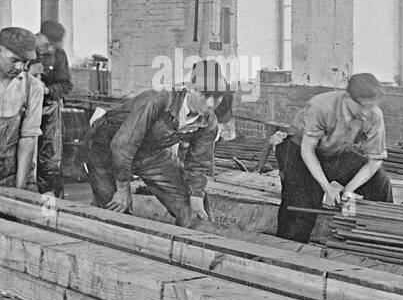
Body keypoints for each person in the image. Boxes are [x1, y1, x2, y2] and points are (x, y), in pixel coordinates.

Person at [83, 59, 233, 228]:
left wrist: (196, 198)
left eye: (217, 97)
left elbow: (198, 164)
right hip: (104, 147)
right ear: (190, 88)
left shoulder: (209, 121)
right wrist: (123, 187)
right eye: (205, 96)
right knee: (116, 212)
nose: (211, 104)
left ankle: (188, 247)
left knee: (192, 207)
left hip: (150, 152)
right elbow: (122, 145)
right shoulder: (158, 100)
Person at [275, 72, 394, 242]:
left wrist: (348, 190)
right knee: (299, 208)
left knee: (380, 183)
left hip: (338, 152)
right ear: (348, 98)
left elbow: (375, 161)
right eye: (362, 107)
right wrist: (327, 188)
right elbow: (307, 151)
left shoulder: (374, 115)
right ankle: (289, 250)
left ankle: (383, 237)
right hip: (303, 152)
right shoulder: (320, 106)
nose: (367, 113)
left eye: (371, 107)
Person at [0, 26, 45, 190]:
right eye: (14, 60)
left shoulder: (33, 87)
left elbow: (27, 139)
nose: (20, 67)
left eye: (25, 62)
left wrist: (19, 189)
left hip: (12, 175)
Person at [34, 20, 74, 198]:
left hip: (49, 110)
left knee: (51, 159)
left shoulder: (59, 55)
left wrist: (48, 90)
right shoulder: (23, 50)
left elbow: (66, 85)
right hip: (25, 110)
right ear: (39, 36)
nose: (49, 50)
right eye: (47, 45)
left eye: (53, 46)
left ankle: (54, 202)